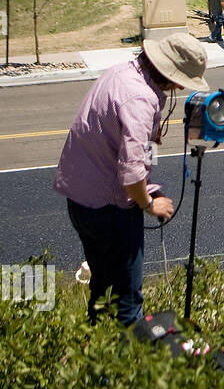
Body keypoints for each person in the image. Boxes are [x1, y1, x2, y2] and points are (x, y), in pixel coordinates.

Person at [54, 33, 209, 325]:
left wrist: (148, 188)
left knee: (102, 290)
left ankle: (95, 356)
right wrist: (150, 203)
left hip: (81, 201)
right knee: (127, 302)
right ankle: (122, 366)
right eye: (181, 79)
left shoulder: (120, 72)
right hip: (109, 210)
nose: (179, 86)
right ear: (170, 75)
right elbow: (131, 172)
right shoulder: (141, 99)